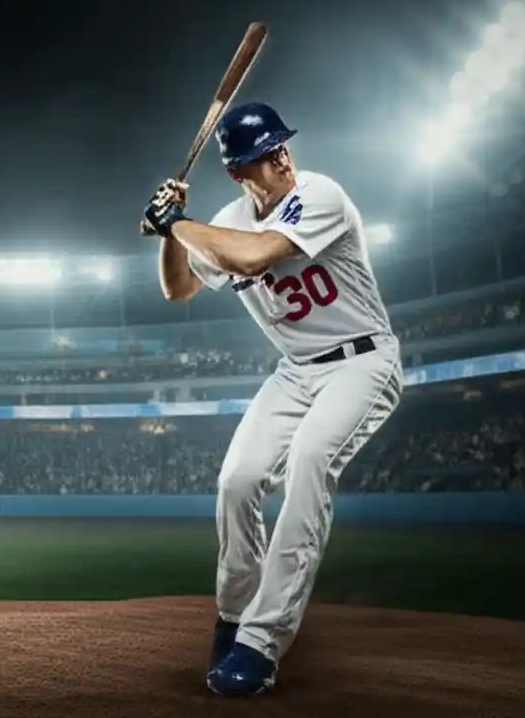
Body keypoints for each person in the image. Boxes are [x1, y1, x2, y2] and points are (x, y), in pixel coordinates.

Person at [141, 102, 404, 696]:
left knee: (311, 462)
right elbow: (177, 287)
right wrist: (169, 232)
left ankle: (261, 644)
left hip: (363, 360)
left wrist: (177, 223)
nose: (282, 156)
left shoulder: (320, 194)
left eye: (282, 145)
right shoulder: (229, 215)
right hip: (296, 371)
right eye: (266, 154)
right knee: (237, 480)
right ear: (239, 173)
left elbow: (255, 254)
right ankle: (234, 617)